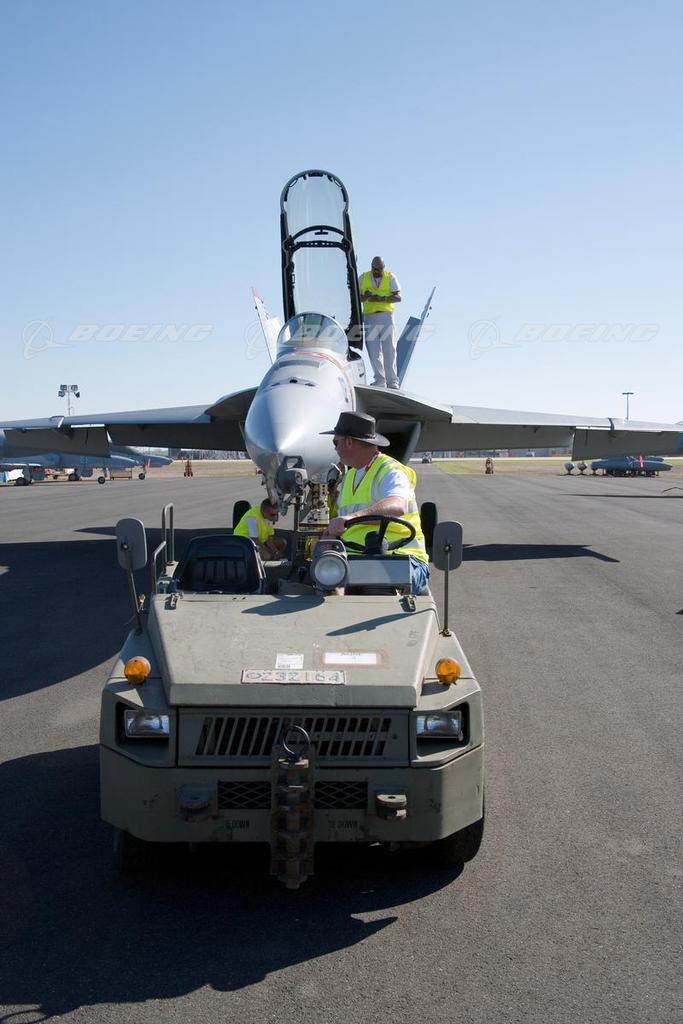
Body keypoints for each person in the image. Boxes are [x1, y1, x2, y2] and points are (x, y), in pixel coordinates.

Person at [321, 412, 429, 594]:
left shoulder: (390, 471)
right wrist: (327, 538)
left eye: (335, 442)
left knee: (375, 581)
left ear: (349, 441)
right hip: (355, 559)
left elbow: (397, 505)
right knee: (322, 580)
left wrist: (351, 518)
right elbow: (340, 524)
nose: (335, 448)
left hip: (400, 558)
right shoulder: (349, 477)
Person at [359, 256, 401, 389]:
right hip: (369, 317)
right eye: (375, 269)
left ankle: (392, 381)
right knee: (373, 350)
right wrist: (365, 297)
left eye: (380, 269)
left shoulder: (390, 277)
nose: (377, 271)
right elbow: (355, 295)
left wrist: (381, 298)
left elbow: (398, 297)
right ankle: (379, 380)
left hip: (386, 316)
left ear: (384, 268)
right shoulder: (363, 277)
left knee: (389, 349)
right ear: (371, 267)